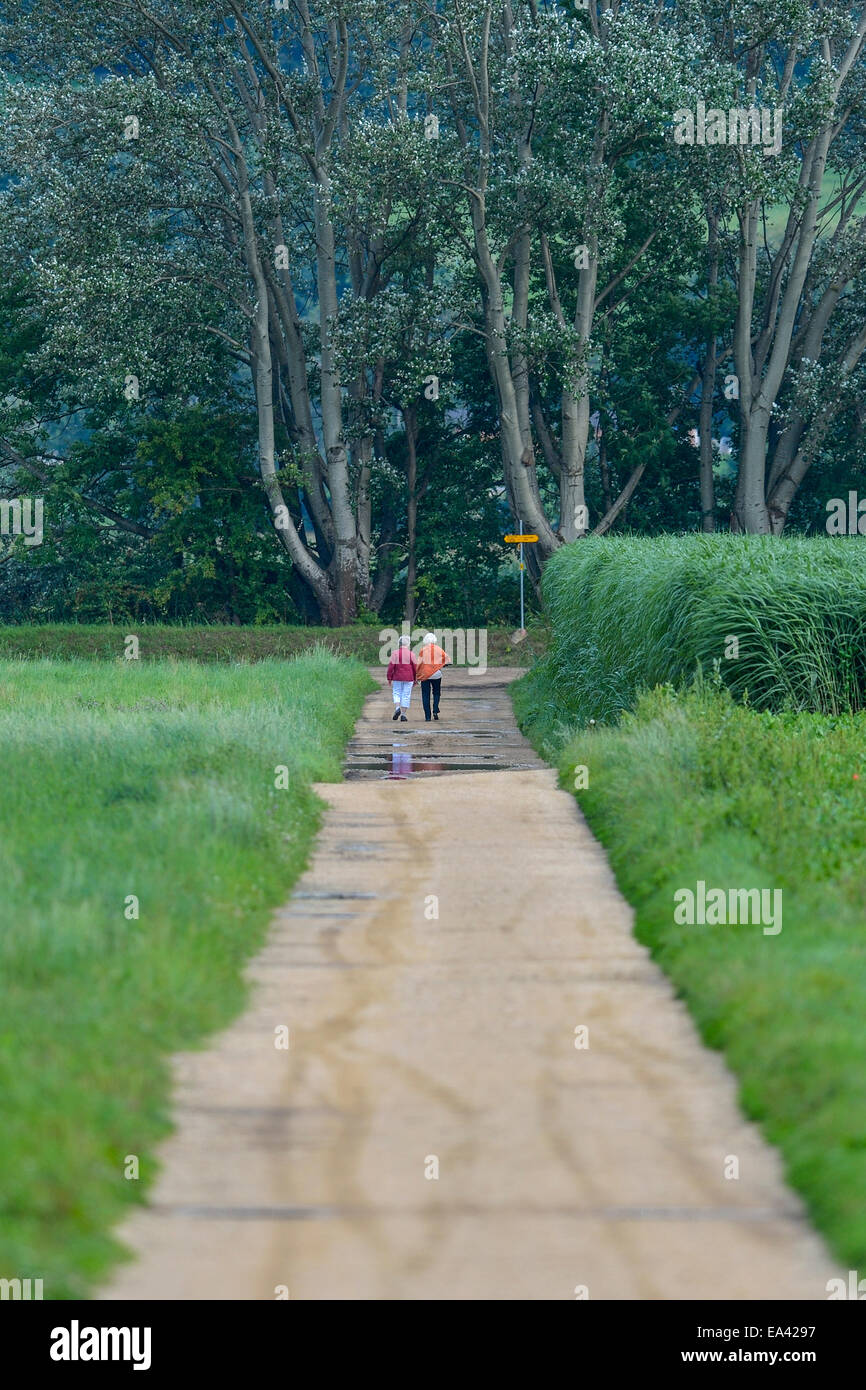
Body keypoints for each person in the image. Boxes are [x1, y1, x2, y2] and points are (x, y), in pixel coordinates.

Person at [415, 632, 451, 721]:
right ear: (434, 640)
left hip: (425, 675)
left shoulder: (423, 650)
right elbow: (447, 660)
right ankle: (435, 709)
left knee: (425, 695)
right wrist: (441, 664)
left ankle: (427, 717)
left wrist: (417, 674)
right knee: (436, 692)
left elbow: (419, 664)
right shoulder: (438, 649)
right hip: (436, 674)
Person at [385, 635, 418, 722]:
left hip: (397, 677)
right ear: (408, 644)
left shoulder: (395, 653)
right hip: (409, 677)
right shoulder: (412, 654)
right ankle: (403, 715)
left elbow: (391, 667)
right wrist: (415, 679)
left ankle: (397, 708)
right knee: (406, 695)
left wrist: (389, 677)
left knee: (396, 693)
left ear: (399, 644)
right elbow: (415, 668)